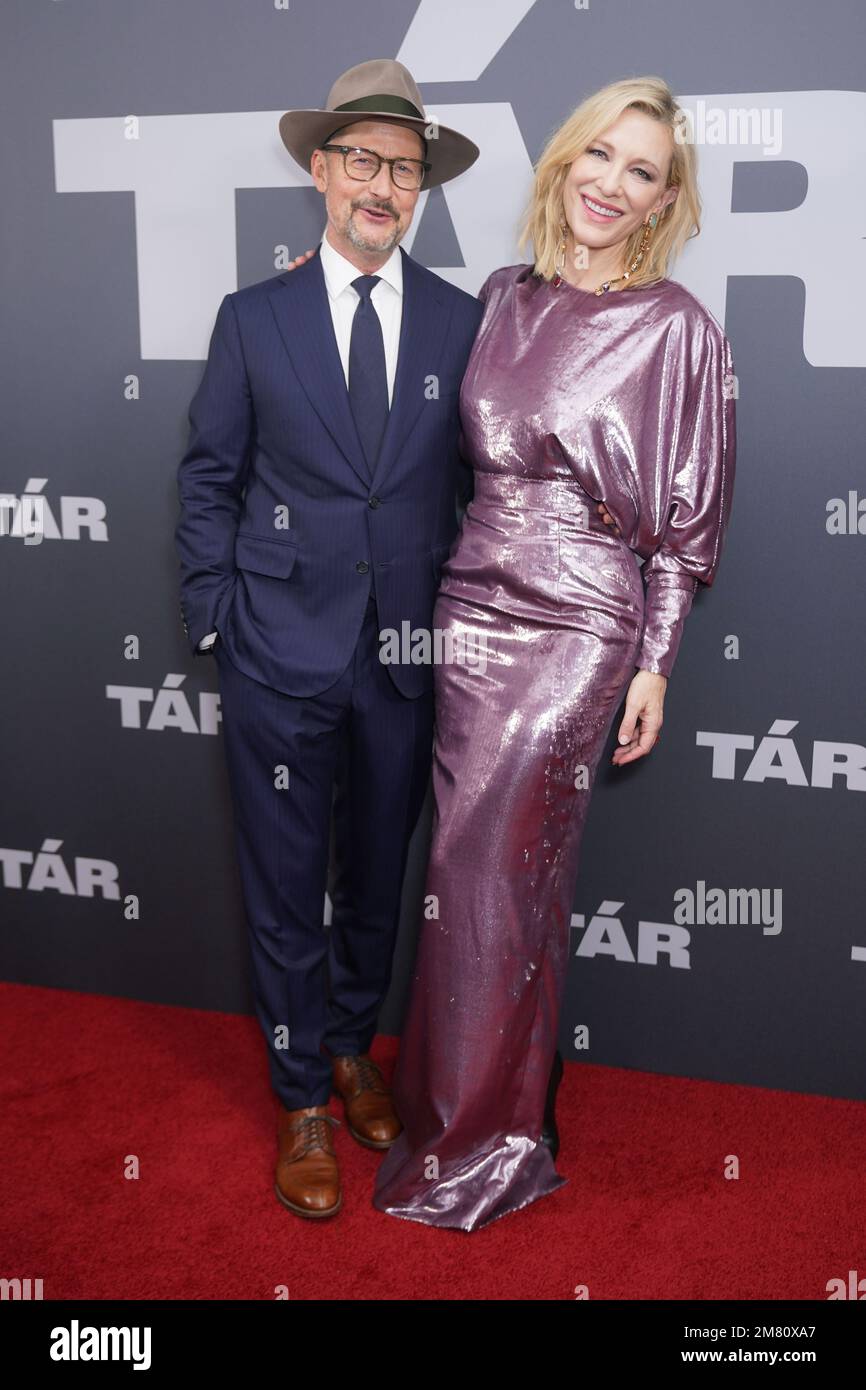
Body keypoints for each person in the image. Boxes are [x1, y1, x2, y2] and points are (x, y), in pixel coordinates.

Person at [371, 75, 737, 1231]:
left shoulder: (674, 326)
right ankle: (476, 1103)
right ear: (562, 162)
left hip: (580, 624)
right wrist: (329, 282)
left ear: (662, 198)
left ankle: (486, 1144)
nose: (610, 184)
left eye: (641, 171)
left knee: (493, 875)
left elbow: (684, 525)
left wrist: (654, 663)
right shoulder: (499, 295)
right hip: (468, 607)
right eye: (599, 156)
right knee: (463, 878)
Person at [174, 60, 490, 1221]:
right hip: (275, 650)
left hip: (405, 655)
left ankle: (355, 1045)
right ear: (319, 169)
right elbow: (209, 477)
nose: (382, 185)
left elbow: (480, 489)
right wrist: (214, 611)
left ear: (420, 191)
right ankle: (301, 1088)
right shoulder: (252, 319)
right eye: (361, 159)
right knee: (283, 879)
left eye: (403, 169)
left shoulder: (463, 323)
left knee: (375, 876)